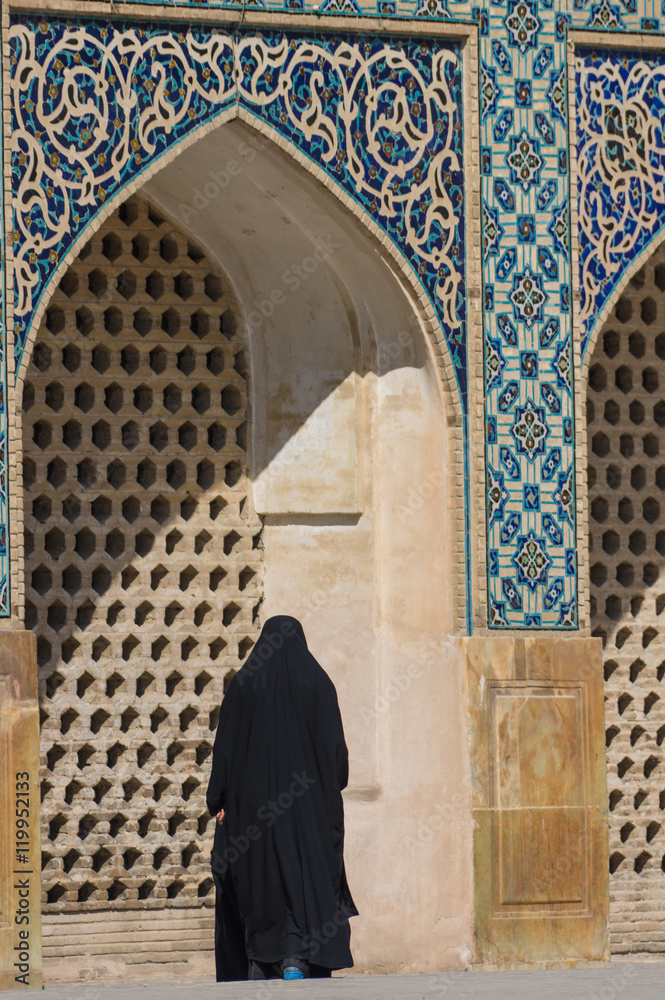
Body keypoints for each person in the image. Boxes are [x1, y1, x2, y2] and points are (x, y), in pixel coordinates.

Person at [206, 614, 357, 981]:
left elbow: (223, 750)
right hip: (310, 814)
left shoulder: (243, 685)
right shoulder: (319, 684)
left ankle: (264, 961)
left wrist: (218, 799)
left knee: (260, 880)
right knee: (309, 878)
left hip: (252, 814)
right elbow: (336, 756)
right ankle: (300, 956)